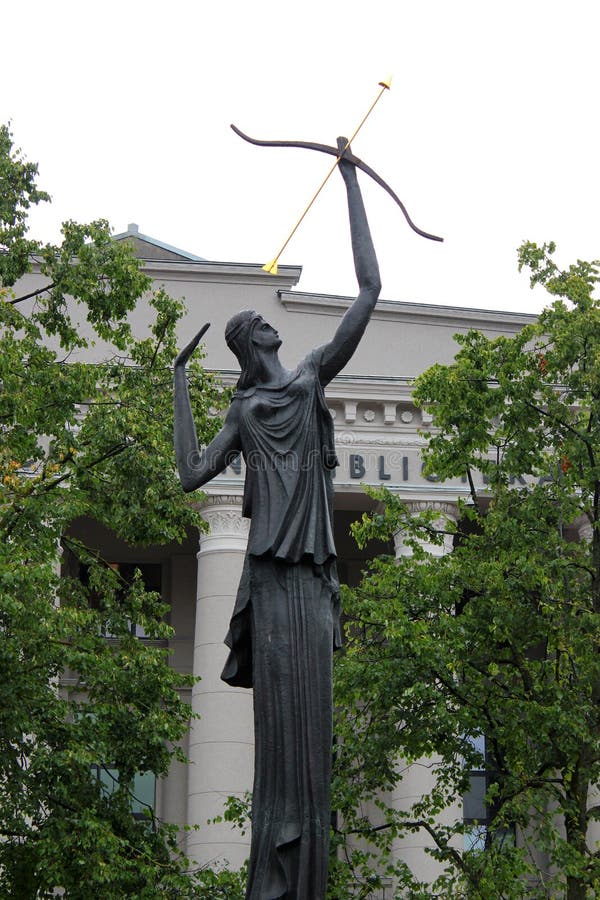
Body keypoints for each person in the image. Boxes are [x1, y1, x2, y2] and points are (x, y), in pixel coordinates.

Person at [173, 142, 381, 899]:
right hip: (268, 579)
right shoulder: (248, 410)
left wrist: (351, 180)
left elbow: (369, 288)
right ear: (253, 341)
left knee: (311, 751)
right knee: (277, 755)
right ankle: (274, 878)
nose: (274, 333)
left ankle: (305, 879)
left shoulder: (309, 380)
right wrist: (179, 388)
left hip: (311, 585)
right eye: (264, 328)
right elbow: (193, 472)